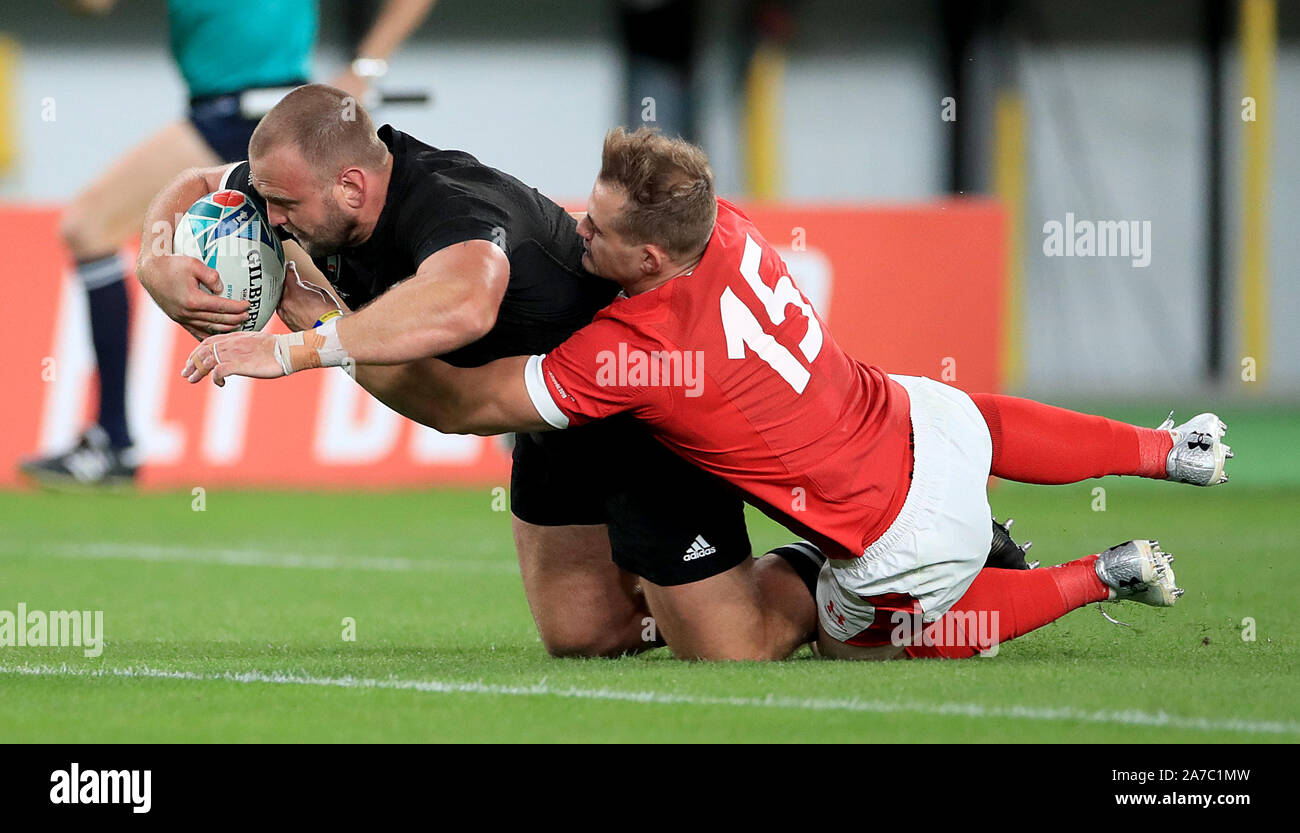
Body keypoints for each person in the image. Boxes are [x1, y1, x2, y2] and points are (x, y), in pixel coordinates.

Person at [184, 127, 1234, 661]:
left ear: (645, 255)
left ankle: (1101, 570)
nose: (574, 233)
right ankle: (1167, 449)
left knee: (839, 631)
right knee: (966, 417)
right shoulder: (716, 228)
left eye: (593, 230)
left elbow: (471, 403)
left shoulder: (628, 352)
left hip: (901, 530)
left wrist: (311, 343)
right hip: (912, 416)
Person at [139, 85, 821, 659]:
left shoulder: (451, 204)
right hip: (545, 423)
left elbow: (464, 308)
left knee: (733, 648)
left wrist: (297, 347)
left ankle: (816, 572)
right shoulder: (306, 190)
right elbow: (199, 184)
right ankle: (680, 592)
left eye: (284, 205)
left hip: (631, 415)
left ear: (350, 186)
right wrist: (156, 258)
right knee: (582, 635)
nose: (271, 219)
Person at [20, 0, 437, 488]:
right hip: (218, 109)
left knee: (89, 227)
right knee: (336, 291)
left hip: (259, 108)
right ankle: (113, 440)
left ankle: (113, 440)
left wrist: (366, 66)